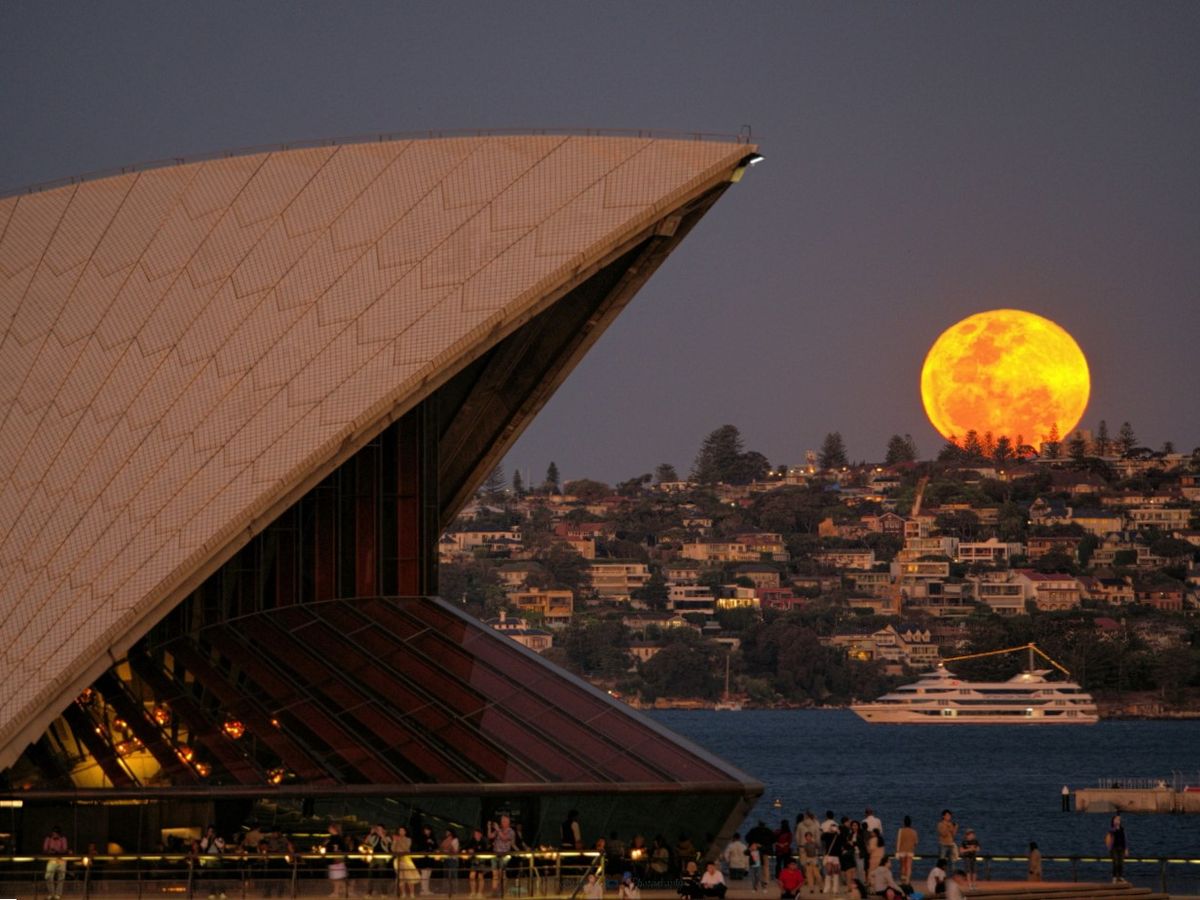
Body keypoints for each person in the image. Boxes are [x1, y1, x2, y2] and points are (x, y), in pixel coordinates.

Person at [487, 815, 516, 896]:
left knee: (501, 874)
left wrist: (497, 829)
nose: (502, 823)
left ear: (508, 822)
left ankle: (502, 891)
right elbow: (490, 836)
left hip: (504, 855)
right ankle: (494, 893)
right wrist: (489, 827)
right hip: (495, 854)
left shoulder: (511, 831)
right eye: (502, 821)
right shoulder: (499, 830)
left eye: (504, 821)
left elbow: (504, 838)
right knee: (494, 874)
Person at [363, 823, 393, 896]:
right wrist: (371, 833)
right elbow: (365, 842)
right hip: (374, 857)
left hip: (382, 857)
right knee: (370, 875)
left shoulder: (388, 837)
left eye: (380, 829)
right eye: (377, 829)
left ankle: (384, 893)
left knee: (382, 875)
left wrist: (382, 834)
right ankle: (369, 893)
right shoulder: (374, 837)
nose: (378, 830)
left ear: (383, 830)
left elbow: (386, 842)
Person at [43, 825, 70, 900]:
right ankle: (51, 894)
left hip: (61, 860)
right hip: (52, 859)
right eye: (53, 833)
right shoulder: (48, 839)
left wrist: (57, 851)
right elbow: (45, 849)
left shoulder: (63, 839)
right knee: (48, 876)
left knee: (61, 877)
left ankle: (58, 895)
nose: (54, 835)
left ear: (59, 833)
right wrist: (50, 851)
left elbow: (65, 849)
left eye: (56, 833)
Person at [324, 823, 349, 899]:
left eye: (330, 828)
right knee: (333, 877)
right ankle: (344, 889)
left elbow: (343, 848)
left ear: (334, 829)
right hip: (332, 859)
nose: (329, 829)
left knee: (336, 877)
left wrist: (336, 849)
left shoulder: (338, 838)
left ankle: (336, 892)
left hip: (336, 860)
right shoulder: (331, 837)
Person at [394, 826, 419, 898]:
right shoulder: (396, 839)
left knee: (409, 876)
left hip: (406, 859)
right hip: (398, 859)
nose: (401, 832)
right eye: (400, 831)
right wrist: (395, 842)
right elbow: (393, 849)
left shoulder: (408, 839)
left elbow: (406, 848)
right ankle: (403, 893)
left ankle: (412, 893)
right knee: (401, 877)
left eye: (402, 831)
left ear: (405, 832)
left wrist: (399, 841)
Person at [462, 827, 487, 899]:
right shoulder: (471, 841)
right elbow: (464, 847)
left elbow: (485, 851)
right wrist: (465, 851)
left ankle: (480, 893)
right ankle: (473, 892)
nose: (476, 835)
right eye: (475, 833)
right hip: (473, 861)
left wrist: (474, 850)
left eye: (477, 833)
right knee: (472, 876)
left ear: (480, 834)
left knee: (480, 876)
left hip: (481, 860)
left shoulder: (483, 842)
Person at [894, 816, 918, 885]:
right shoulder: (914, 831)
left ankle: (903, 880)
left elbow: (898, 841)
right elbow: (916, 842)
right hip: (910, 850)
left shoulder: (901, 831)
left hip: (902, 850)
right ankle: (908, 880)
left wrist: (897, 851)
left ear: (904, 823)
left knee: (902, 866)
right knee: (909, 866)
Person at [1106, 814, 1127, 883]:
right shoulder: (1112, 829)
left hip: (1121, 848)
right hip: (1114, 848)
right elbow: (1109, 838)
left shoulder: (1122, 829)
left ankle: (1120, 876)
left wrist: (1126, 849)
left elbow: (1124, 839)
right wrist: (1109, 847)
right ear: (1113, 821)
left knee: (1121, 863)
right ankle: (1114, 877)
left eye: (1119, 820)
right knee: (1115, 863)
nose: (1118, 821)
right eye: (1116, 819)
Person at [440, 828, 461, 894]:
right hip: (446, 858)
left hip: (453, 859)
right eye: (446, 832)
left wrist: (449, 847)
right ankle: (446, 890)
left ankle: (454, 890)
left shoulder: (455, 840)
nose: (446, 833)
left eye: (448, 832)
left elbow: (454, 850)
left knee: (453, 875)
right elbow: (442, 847)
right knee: (446, 875)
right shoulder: (445, 840)